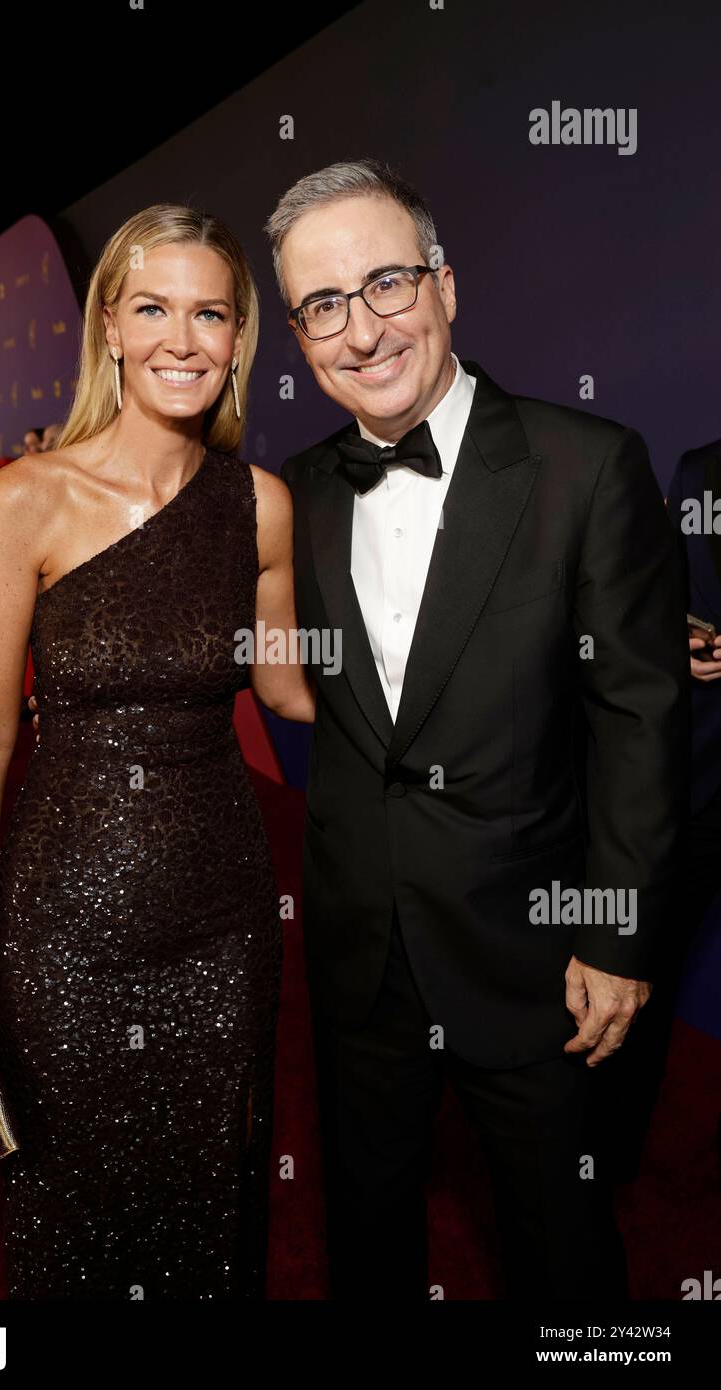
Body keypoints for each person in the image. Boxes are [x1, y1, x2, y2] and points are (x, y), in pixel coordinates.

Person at [264, 159, 690, 1300]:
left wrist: (614, 934)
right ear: (298, 337)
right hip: (359, 951)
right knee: (367, 1239)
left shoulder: (586, 465)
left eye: (386, 283)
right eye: (322, 305)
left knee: (564, 1248)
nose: (361, 331)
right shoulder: (295, 492)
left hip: (536, 956)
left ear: (445, 286)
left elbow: (639, 719)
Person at [0, 203, 315, 1300]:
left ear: (238, 337)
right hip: (64, 920)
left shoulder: (260, 507)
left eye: (210, 314)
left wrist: (511, 660)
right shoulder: (26, 497)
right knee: (73, 1213)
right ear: (109, 325)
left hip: (223, 917)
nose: (182, 340)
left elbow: (291, 687)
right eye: (152, 309)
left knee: (209, 1204)